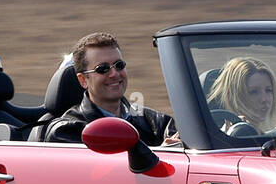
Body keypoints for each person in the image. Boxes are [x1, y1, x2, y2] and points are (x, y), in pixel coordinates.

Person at [44, 32, 177, 145]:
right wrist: (159, 154)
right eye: (103, 69)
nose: (114, 74)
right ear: (83, 80)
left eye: (119, 65)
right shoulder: (66, 132)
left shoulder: (157, 123)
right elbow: (98, 172)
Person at [206, 57, 276, 136]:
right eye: (253, 92)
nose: (264, 99)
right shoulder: (214, 142)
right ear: (233, 96)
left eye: (269, 90)